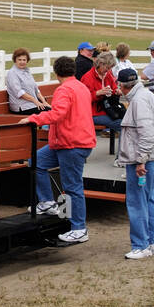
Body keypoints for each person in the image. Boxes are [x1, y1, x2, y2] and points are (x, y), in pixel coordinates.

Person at [28, 55, 96, 245]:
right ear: (73, 70)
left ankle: (79, 228)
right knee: (36, 162)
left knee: (72, 187)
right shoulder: (81, 87)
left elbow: (58, 114)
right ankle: (48, 202)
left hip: (71, 144)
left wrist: (35, 119)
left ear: (56, 72)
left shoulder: (64, 89)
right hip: (70, 142)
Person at [115, 68, 154, 260]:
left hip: (144, 158)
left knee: (137, 201)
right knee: (148, 199)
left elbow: (147, 133)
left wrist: (140, 160)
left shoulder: (138, 101)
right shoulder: (146, 95)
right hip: (152, 156)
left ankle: (141, 245)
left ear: (122, 86)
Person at [80, 50, 121, 131]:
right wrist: (97, 93)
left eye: (110, 68)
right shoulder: (87, 78)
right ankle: (124, 144)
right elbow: (82, 99)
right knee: (120, 123)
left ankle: (125, 143)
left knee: (127, 119)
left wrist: (117, 91)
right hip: (92, 113)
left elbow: (114, 88)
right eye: (107, 67)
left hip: (107, 109)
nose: (108, 70)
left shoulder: (107, 74)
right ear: (100, 64)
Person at [6, 48, 50, 114]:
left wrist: (44, 102)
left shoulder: (27, 71)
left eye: (24, 60)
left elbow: (36, 90)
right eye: (19, 60)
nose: (22, 62)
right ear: (15, 60)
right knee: (49, 112)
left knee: (52, 110)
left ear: (27, 61)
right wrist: (36, 101)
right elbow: (19, 93)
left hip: (32, 104)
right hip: (22, 107)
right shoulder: (12, 73)